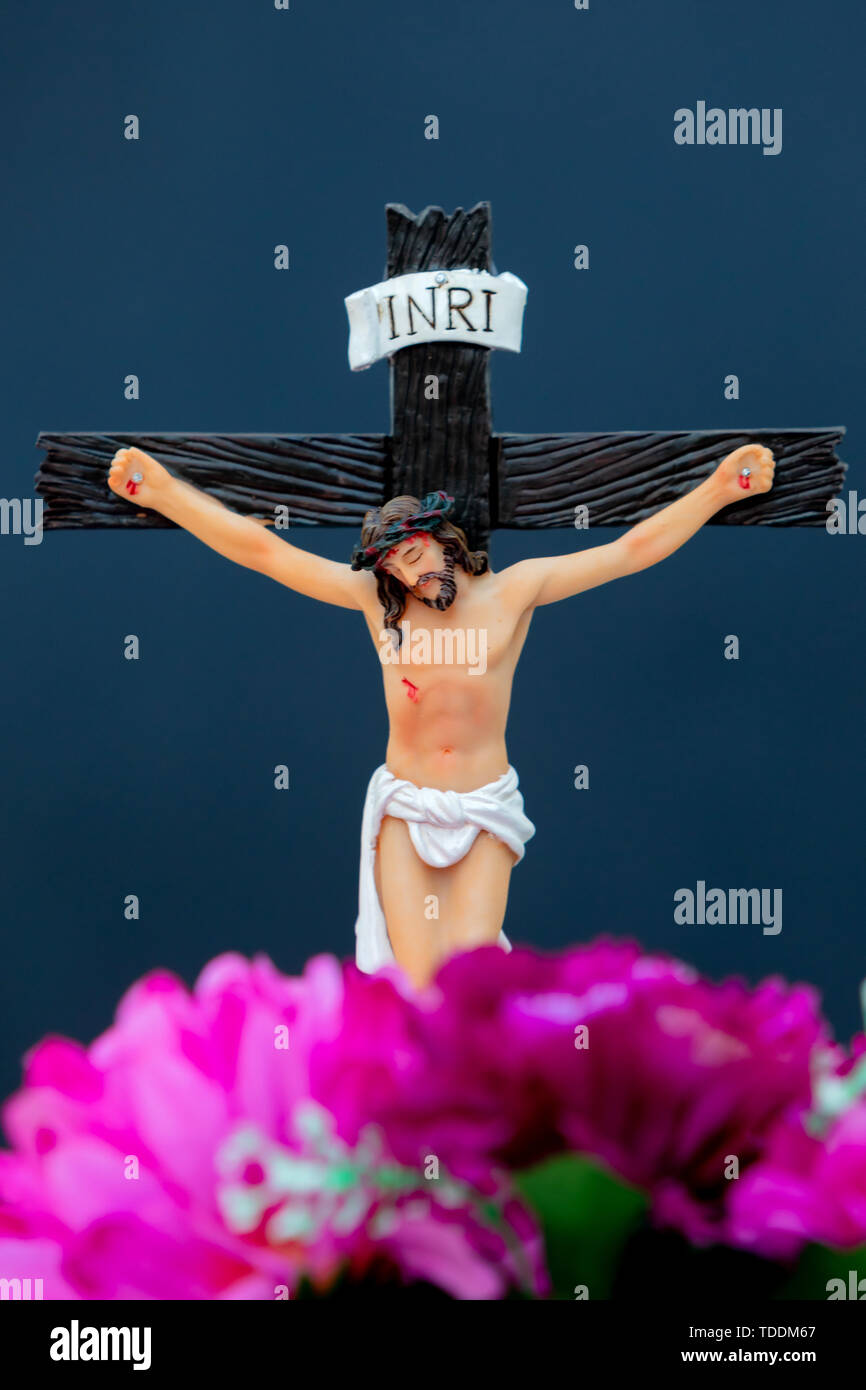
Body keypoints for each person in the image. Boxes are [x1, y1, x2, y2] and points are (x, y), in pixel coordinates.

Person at [108, 443, 775, 987]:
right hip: (407, 806)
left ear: (442, 539)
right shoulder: (377, 603)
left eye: (415, 549)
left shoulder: (514, 591)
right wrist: (164, 491)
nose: (409, 569)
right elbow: (264, 552)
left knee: (471, 981)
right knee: (417, 988)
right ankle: (418, 1144)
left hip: (484, 807)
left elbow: (631, 551)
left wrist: (718, 489)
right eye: (395, 562)